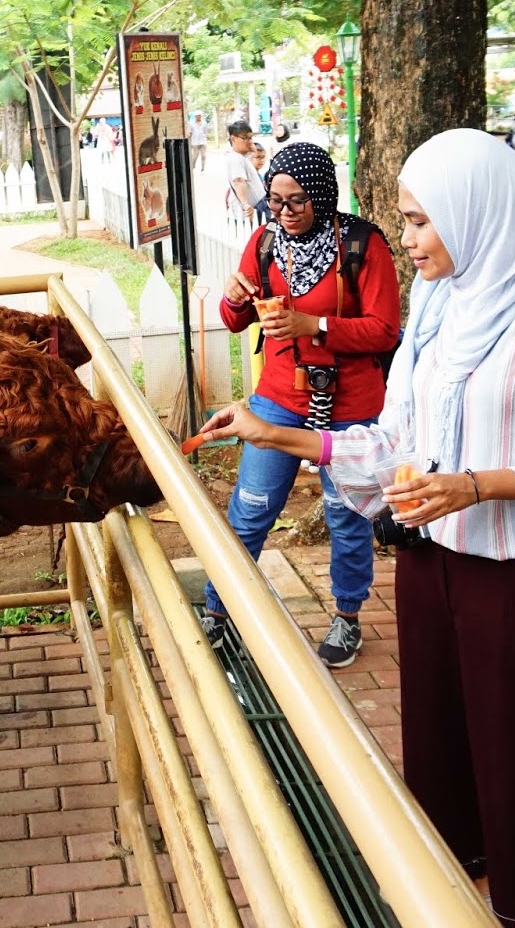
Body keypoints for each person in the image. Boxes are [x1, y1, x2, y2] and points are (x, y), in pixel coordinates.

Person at [199, 128, 515, 926]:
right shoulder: (436, 312)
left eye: (424, 222)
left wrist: (478, 484)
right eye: (404, 220)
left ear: (479, 215)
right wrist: (274, 433)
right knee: (443, 740)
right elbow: (395, 443)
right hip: (430, 570)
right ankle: (455, 887)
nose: (410, 240)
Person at [202, 142, 401, 668]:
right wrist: (234, 296)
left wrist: (316, 326)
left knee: (347, 514)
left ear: (323, 197)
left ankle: (348, 615)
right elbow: (232, 320)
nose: (283, 213)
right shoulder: (265, 242)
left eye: (296, 202)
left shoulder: (362, 244)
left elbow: (384, 331)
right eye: (274, 200)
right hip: (278, 397)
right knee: (250, 509)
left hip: (351, 402)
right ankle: (219, 613)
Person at [223, 120, 265, 226]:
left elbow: (253, 154)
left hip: (250, 213)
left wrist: (252, 148)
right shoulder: (235, 158)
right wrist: (245, 204)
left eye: (251, 137)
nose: (250, 141)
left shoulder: (241, 156)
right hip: (244, 216)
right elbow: (239, 181)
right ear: (233, 138)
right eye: (245, 138)